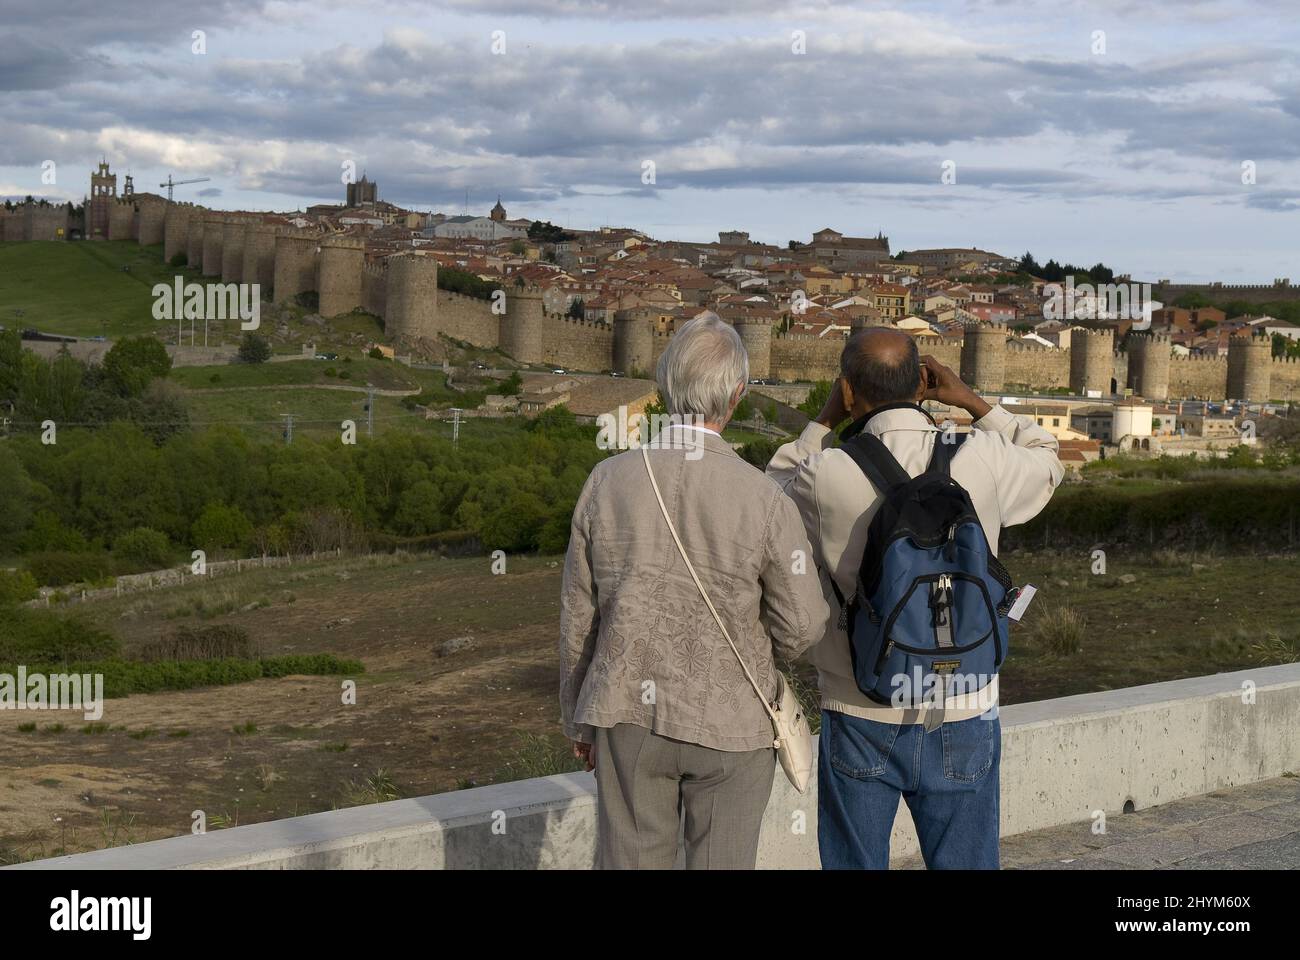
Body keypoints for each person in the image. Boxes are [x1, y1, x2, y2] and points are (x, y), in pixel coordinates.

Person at [766, 328, 1063, 869]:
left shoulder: (824, 473)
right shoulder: (984, 457)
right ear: (923, 385)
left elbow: (768, 495)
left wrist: (823, 420)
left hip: (859, 706)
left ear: (849, 390)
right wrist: (973, 402)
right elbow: (1047, 458)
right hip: (965, 702)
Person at [560, 314, 829, 870]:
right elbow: (803, 623)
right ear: (737, 394)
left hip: (626, 711)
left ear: (663, 388)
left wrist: (577, 718)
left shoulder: (605, 483)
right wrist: (759, 649)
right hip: (732, 718)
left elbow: (577, 617)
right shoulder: (765, 499)